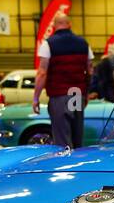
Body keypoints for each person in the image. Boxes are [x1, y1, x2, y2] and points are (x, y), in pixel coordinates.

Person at [32, 12, 92, 148]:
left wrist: (36, 98)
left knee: (62, 139)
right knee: (77, 136)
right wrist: (86, 93)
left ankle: (65, 167)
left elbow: (42, 73)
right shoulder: (83, 43)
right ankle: (78, 165)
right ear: (69, 24)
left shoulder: (48, 44)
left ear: (53, 26)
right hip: (76, 94)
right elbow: (90, 70)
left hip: (60, 97)